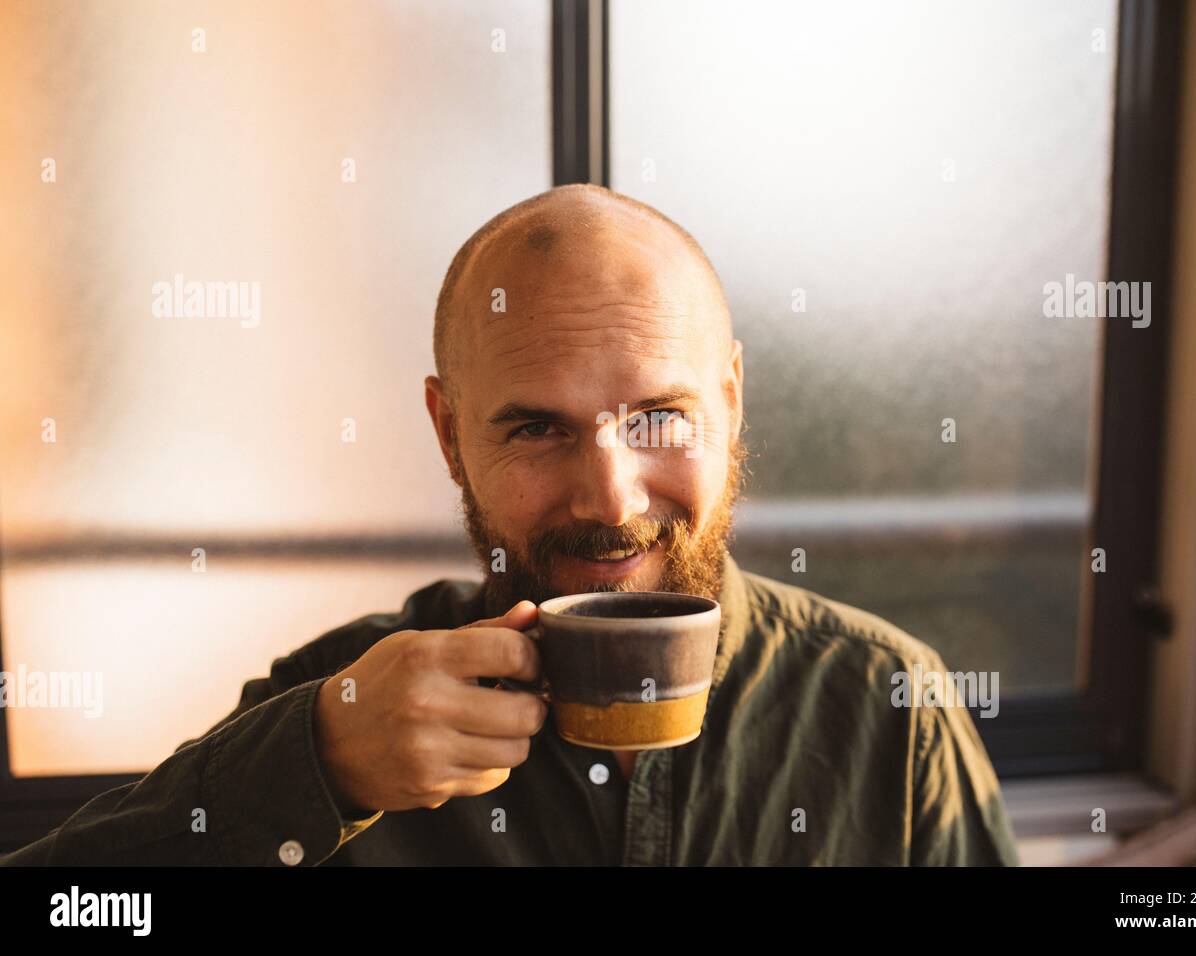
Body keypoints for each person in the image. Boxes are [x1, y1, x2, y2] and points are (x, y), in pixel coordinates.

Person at [0, 184, 1020, 866]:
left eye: (658, 415)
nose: (611, 498)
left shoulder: (893, 711)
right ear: (449, 435)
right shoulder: (344, 705)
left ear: (732, 404)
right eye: (536, 426)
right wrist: (313, 766)